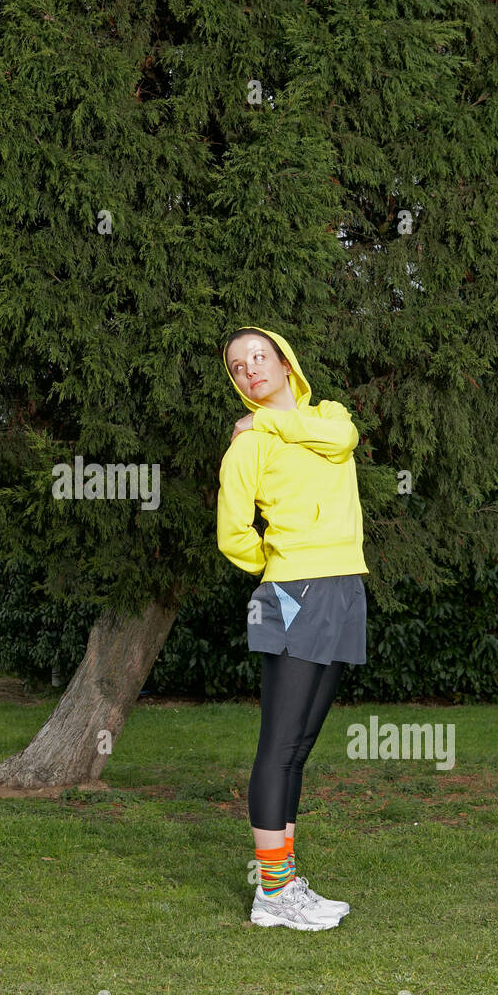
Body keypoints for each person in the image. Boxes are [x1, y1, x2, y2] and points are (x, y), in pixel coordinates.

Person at [217, 327, 368, 931]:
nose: (251, 369)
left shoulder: (324, 415)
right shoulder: (245, 448)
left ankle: (285, 881)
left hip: (344, 585)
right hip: (293, 591)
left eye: (259, 357)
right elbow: (232, 532)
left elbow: (344, 438)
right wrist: (277, 568)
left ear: (284, 363)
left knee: (301, 744)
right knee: (279, 744)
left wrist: (270, 422)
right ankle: (273, 894)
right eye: (238, 366)